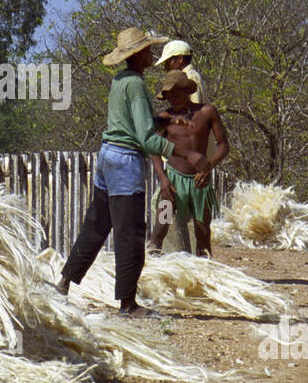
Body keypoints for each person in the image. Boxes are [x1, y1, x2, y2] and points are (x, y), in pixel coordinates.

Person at [56, 27, 209, 317]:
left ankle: (64, 282)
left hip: (107, 157)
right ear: (139, 55)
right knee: (131, 234)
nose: (153, 55)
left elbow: (130, 122)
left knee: (96, 226)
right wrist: (187, 152)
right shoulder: (137, 85)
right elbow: (145, 140)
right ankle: (128, 304)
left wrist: (165, 120)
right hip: (125, 163)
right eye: (149, 50)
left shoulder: (120, 80)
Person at [148, 69, 229, 257]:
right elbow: (154, 149)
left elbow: (223, 145)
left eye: (176, 93)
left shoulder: (207, 112)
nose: (173, 99)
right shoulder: (164, 118)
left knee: (203, 233)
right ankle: (151, 268)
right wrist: (163, 179)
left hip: (200, 182)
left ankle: (203, 275)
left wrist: (208, 167)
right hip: (174, 180)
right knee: (161, 225)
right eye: (169, 95)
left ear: (187, 91)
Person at [158, 39, 205, 105]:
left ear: (180, 59)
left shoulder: (190, 76)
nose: (165, 67)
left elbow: (195, 107)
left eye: (167, 62)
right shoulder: (188, 75)